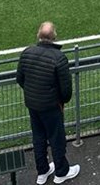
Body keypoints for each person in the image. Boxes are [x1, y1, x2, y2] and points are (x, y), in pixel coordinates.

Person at [16, 22, 80, 184]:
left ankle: (42, 171)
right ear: (54, 36)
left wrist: (33, 94)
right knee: (56, 138)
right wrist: (61, 101)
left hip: (33, 104)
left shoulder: (27, 53)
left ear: (38, 35)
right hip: (51, 106)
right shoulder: (58, 58)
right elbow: (66, 89)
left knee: (38, 137)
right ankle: (61, 172)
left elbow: (20, 79)